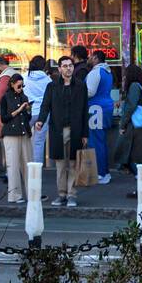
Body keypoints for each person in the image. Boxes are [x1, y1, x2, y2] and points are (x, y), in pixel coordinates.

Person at [35, 55, 88, 207]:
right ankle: (61, 194)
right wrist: (40, 120)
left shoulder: (80, 85)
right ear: (59, 69)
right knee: (60, 165)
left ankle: (71, 194)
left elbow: (85, 110)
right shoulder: (52, 86)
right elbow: (45, 106)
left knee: (72, 164)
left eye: (70, 65)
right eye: (64, 66)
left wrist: (85, 133)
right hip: (58, 129)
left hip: (75, 129)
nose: (68, 68)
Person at [0, 73, 33, 203]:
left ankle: (31, 193)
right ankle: (15, 195)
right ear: (12, 84)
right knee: (12, 165)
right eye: (19, 85)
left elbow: (28, 118)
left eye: (22, 85)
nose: (21, 87)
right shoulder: (6, 98)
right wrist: (19, 110)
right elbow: (4, 118)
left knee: (27, 164)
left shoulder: (24, 97)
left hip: (24, 132)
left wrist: (28, 110)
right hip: (11, 133)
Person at [112, 63, 142, 176]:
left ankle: (141, 181)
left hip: (135, 125)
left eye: (126, 74)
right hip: (139, 125)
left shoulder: (134, 86)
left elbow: (131, 106)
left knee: (133, 156)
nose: (124, 77)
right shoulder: (139, 85)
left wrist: (122, 125)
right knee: (136, 156)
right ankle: (140, 181)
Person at [82, 49, 115, 184]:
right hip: (105, 107)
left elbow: (90, 92)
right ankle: (104, 171)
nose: (88, 59)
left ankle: (101, 173)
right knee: (101, 140)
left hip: (95, 109)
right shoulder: (108, 72)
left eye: (90, 57)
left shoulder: (95, 72)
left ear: (96, 58)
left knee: (95, 141)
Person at [24, 55, 51, 166]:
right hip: (43, 114)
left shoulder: (24, 77)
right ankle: (36, 169)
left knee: (23, 140)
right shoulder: (48, 80)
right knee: (39, 142)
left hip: (28, 112)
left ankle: (23, 166)